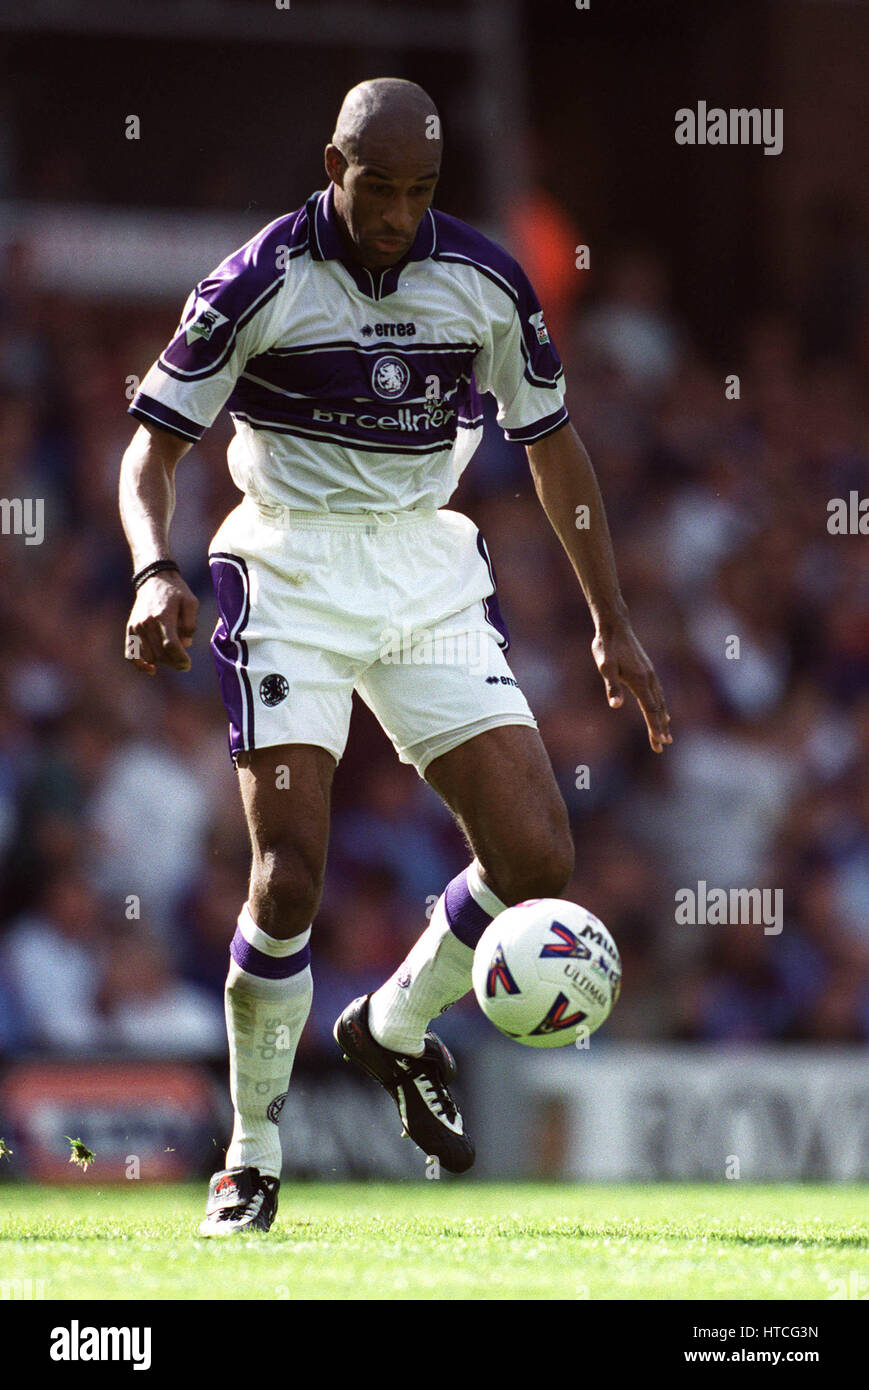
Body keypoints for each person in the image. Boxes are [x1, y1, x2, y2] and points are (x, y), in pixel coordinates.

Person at [119, 78, 672, 1236]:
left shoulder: (479, 276)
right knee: (290, 874)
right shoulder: (258, 277)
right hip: (291, 567)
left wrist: (609, 620)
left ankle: (393, 1024)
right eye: (380, 189)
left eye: (421, 192)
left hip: (424, 567)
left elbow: (553, 447)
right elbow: (150, 452)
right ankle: (252, 1151)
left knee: (534, 850)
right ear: (334, 164)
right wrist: (151, 570)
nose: (398, 213)